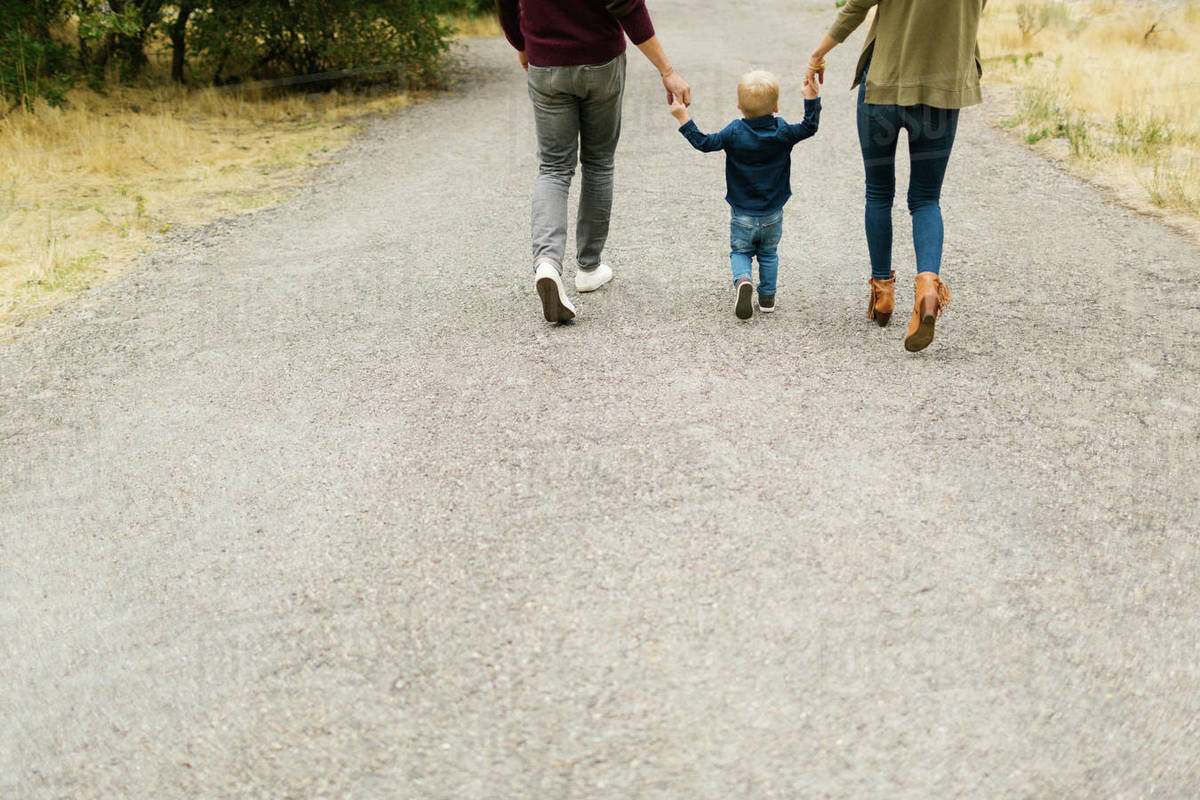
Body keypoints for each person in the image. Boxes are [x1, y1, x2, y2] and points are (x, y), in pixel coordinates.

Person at [807, 0, 986, 351]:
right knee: (925, 199)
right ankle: (929, 288)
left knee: (878, 193)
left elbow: (855, 8)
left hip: (883, 89)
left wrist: (817, 56)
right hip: (942, 94)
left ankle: (883, 295)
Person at [497, 0, 692, 323]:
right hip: (601, 61)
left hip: (545, 62)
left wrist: (522, 44)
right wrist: (666, 70)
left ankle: (547, 264)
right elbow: (627, 5)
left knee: (554, 168)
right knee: (599, 162)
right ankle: (588, 268)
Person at [670, 71, 821, 320]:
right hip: (773, 212)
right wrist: (811, 98)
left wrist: (682, 116)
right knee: (769, 254)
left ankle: (743, 280)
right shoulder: (782, 131)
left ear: (739, 106)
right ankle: (767, 298)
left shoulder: (734, 132)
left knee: (740, 252)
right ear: (775, 106)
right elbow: (809, 127)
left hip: (742, 212)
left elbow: (704, 143)